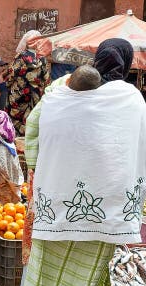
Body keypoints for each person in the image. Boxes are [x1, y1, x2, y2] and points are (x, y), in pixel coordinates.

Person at [20, 64, 146, 286]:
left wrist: (38, 169)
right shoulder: (124, 101)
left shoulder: (54, 99)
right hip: (102, 204)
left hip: (57, 200)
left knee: (58, 258)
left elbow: (32, 133)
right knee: (87, 263)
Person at [23, 39, 135, 265]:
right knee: (93, 241)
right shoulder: (128, 97)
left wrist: (36, 163)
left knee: (53, 234)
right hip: (104, 183)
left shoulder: (64, 85)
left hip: (54, 173)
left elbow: (34, 122)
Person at [6, 30, 50, 136]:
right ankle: (27, 139)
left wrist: (7, 85)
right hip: (35, 94)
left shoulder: (20, 57)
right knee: (31, 118)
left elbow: (12, 73)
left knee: (15, 117)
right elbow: (46, 79)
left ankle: (15, 139)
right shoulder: (42, 58)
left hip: (19, 93)